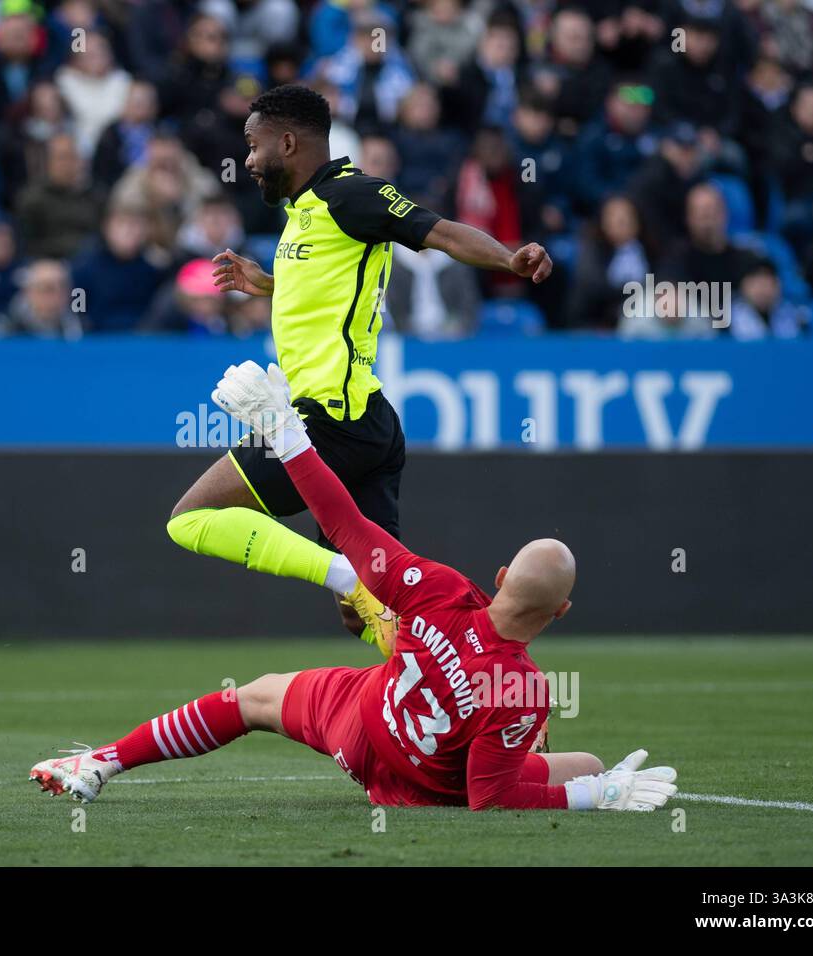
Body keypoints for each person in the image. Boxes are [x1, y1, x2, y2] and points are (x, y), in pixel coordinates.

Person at [31, 360, 679, 814]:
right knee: (588, 762)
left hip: (360, 721)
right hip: (414, 782)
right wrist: (596, 796)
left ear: (502, 577)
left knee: (251, 699)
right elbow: (490, 798)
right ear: (561, 612)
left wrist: (286, 435)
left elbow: (342, 519)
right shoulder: (522, 687)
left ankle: (104, 761)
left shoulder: (437, 590)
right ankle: (593, 779)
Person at [168, 84, 552, 656]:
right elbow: (331, 293)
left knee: (192, 518)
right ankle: (470, 691)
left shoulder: (351, 195)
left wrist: (508, 256)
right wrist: (266, 283)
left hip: (328, 424)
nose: (246, 160)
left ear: (289, 141)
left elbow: (439, 230)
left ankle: (341, 571)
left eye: (253, 145)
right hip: (366, 425)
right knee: (368, 614)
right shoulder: (305, 210)